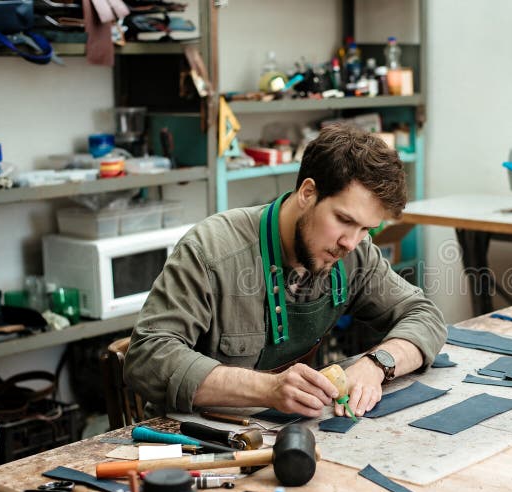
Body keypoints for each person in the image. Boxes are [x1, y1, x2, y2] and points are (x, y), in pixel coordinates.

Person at [124, 123, 446, 419]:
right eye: (344, 220)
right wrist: (268, 389)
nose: (351, 242)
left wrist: (377, 365)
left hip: (279, 430)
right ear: (307, 193)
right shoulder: (211, 250)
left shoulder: (353, 253)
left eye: (366, 228)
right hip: (190, 439)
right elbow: (147, 357)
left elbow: (424, 315)